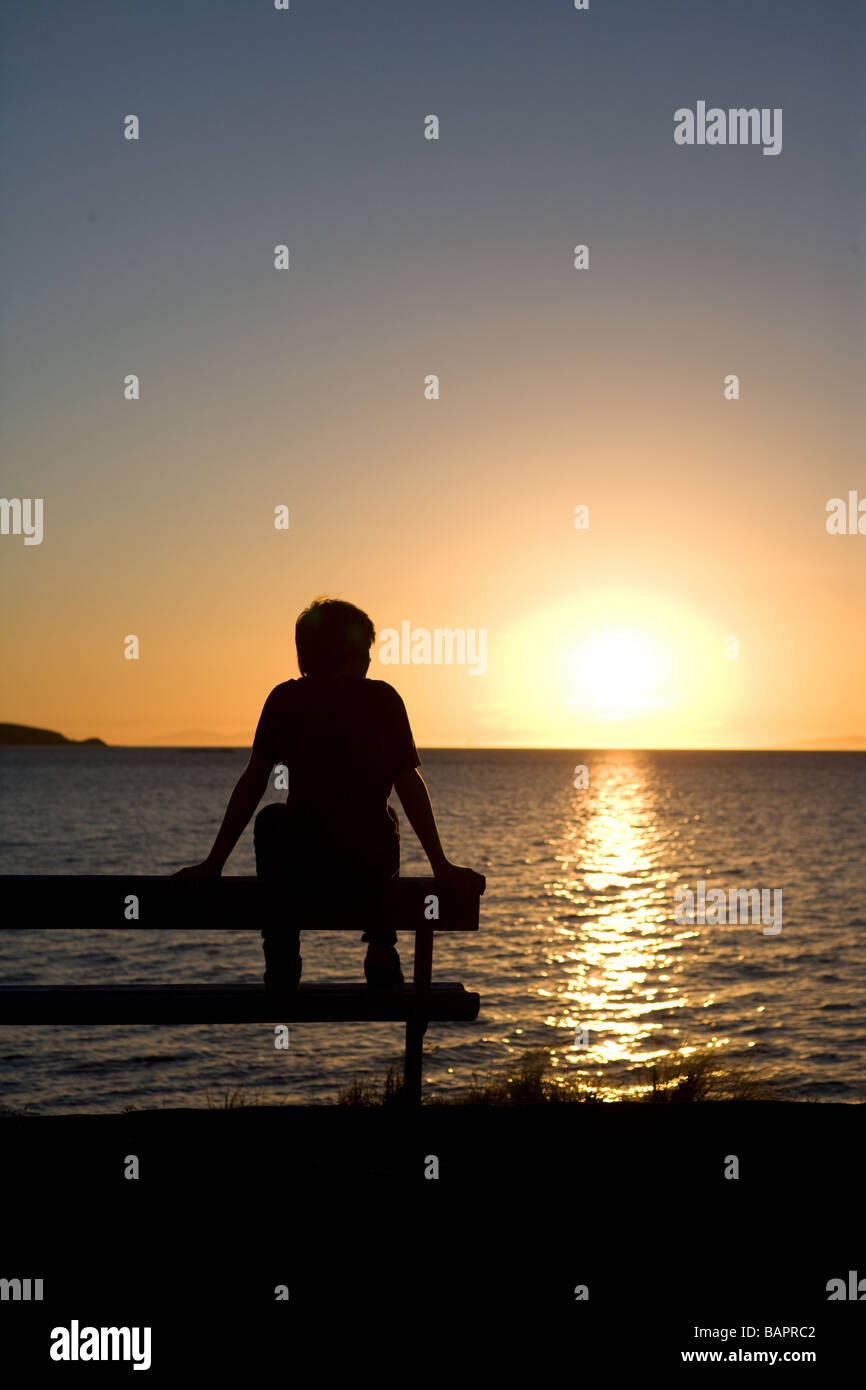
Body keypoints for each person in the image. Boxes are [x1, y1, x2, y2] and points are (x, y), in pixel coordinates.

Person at [173, 597, 485, 991]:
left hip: (302, 867)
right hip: (364, 869)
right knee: (382, 818)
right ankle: (381, 948)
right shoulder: (383, 700)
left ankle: (283, 952)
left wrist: (213, 864)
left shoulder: (285, 700)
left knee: (271, 818)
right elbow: (408, 785)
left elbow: (252, 783)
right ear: (356, 654)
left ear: (305, 655)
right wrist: (441, 865)